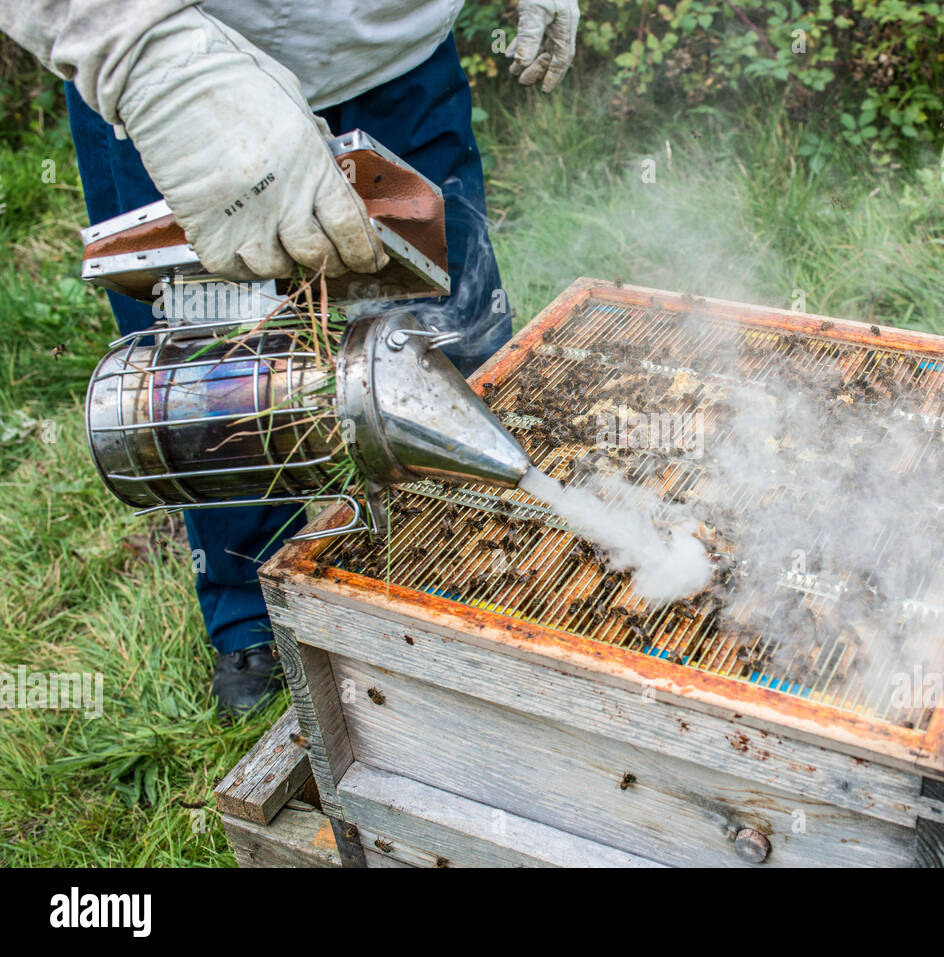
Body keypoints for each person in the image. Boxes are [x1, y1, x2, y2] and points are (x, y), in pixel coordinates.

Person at [1, 0, 580, 713]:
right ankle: (251, 606)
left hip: (396, 53)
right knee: (214, 393)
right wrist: (141, 51)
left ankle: (477, 568)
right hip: (190, 82)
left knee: (449, 339)